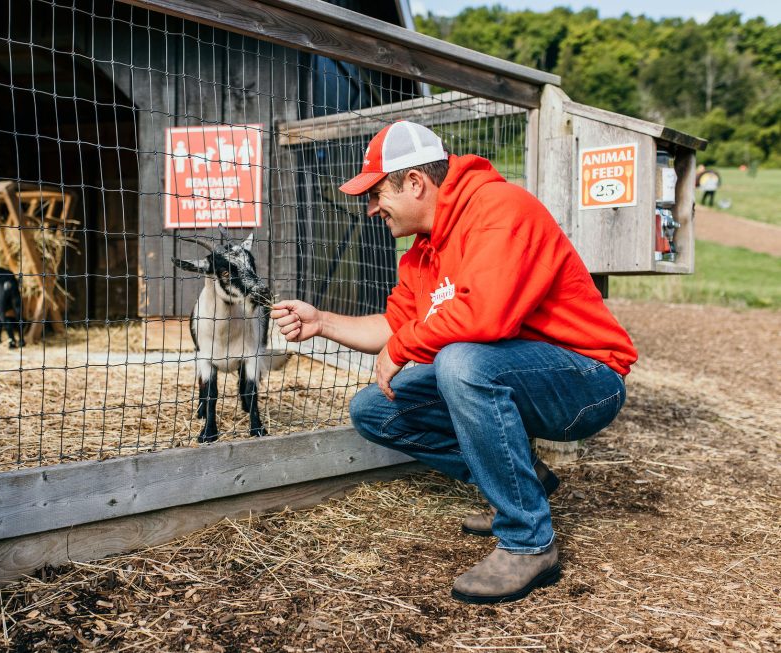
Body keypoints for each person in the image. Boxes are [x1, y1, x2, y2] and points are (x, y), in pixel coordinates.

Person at [271, 121, 637, 604]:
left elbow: (484, 318)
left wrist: (403, 349)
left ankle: (529, 543)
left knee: (460, 362)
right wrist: (323, 322)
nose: (372, 207)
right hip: (518, 374)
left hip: (588, 381)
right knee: (375, 410)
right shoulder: (422, 253)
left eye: (378, 193)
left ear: (416, 183)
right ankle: (526, 480)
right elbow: (396, 325)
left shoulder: (500, 210)